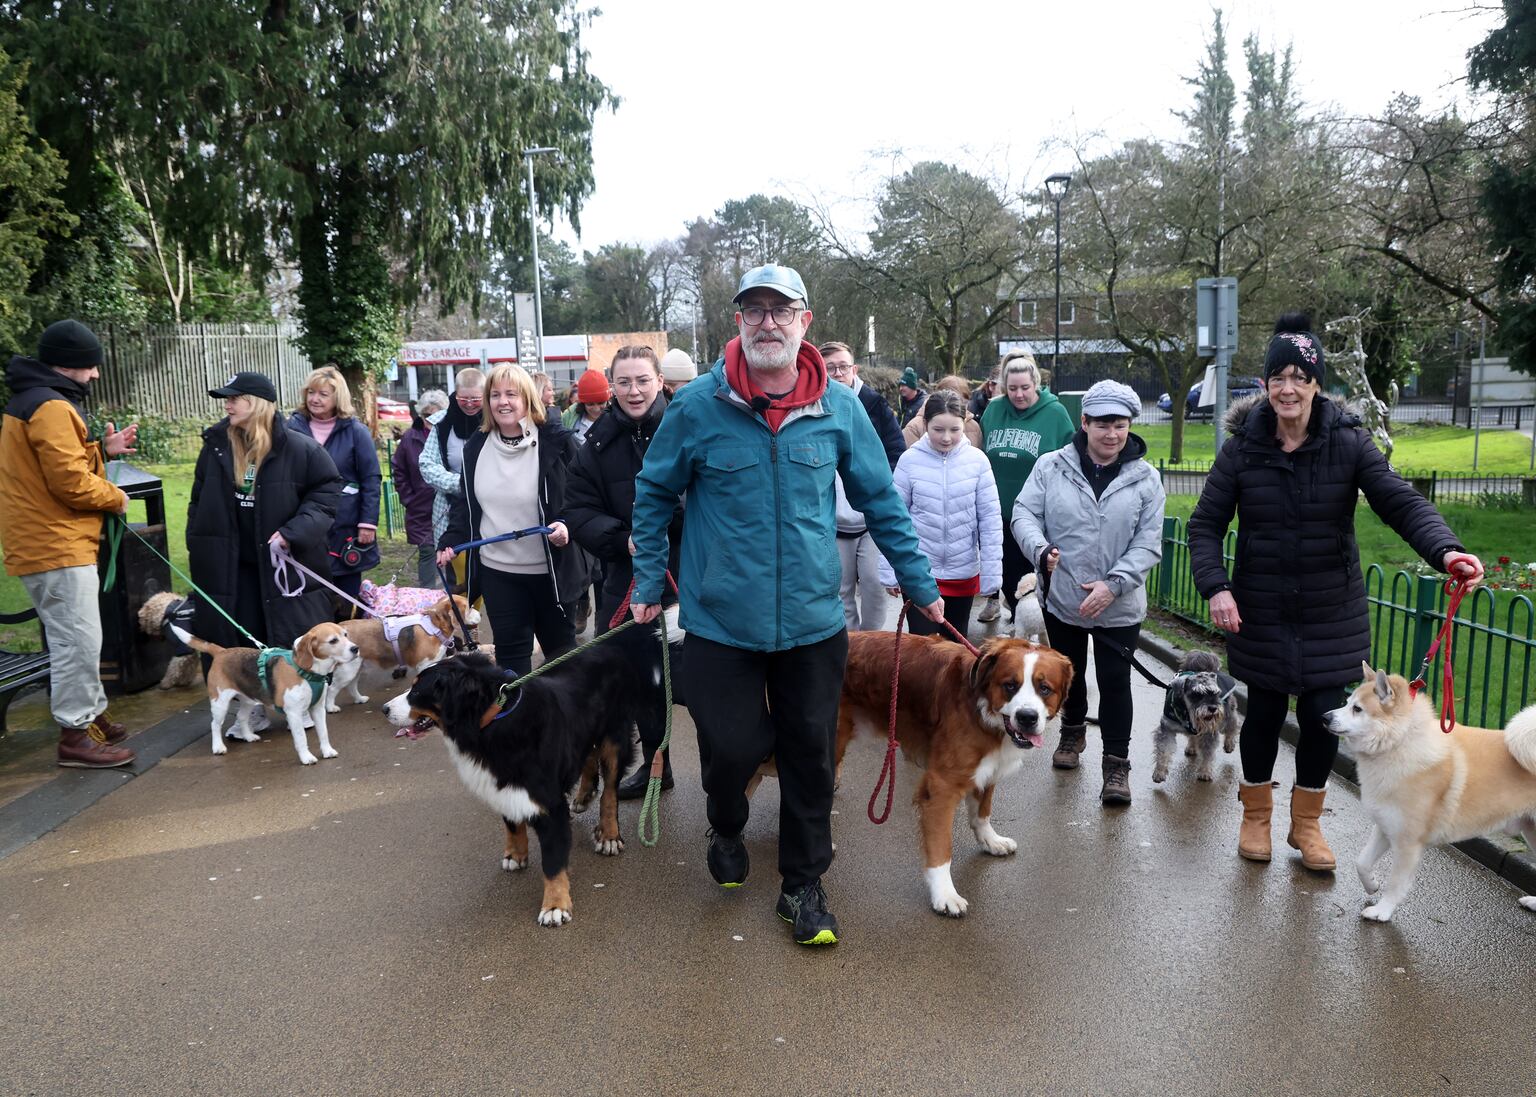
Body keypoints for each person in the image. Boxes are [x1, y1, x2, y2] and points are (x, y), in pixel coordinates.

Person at [628, 264, 942, 947]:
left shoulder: (838, 407)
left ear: (805, 319)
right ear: (736, 321)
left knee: (811, 756)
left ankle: (803, 886)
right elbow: (653, 494)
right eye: (754, 309)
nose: (767, 320)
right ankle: (727, 815)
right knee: (733, 745)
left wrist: (919, 583)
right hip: (720, 624)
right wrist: (648, 580)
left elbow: (880, 501)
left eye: (781, 309)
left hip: (810, 622)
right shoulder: (698, 406)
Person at [1188, 313, 1484, 869]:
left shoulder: (1349, 443)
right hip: (1263, 608)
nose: (1289, 387)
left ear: (1317, 384)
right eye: (1278, 376)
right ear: (1264, 385)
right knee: (1266, 714)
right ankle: (1256, 818)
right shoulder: (1242, 450)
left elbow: (1400, 501)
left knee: (1325, 715)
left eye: (1301, 376)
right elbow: (1204, 526)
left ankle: (1307, 825)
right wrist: (1216, 587)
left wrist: (1447, 551)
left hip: (1331, 610)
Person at [1012, 379, 1166, 806]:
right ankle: (1072, 732)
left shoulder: (1146, 479)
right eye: (1102, 424)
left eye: (1120, 424)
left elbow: (1148, 542)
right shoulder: (1051, 466)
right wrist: (1040, 550)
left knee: (1115, 681)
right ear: (1084, 423)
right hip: (1063, 595)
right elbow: (1024, 511)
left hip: (1120, 604)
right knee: (1069, 672)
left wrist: (1114, 584)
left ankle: (1116, 766)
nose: (1111, 434)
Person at [0, 320, 139, 767]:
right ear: (68, 365)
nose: (96, 375)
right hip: (54, 542)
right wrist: (117, 497)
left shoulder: (32, 400)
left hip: (44, 540)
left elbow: (57, 464)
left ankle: (92, 715)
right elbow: (70, 483)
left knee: (79, 636)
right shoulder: (52, 407)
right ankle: (76, 737)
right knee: (76, 641)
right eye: (91, 366)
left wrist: (103, 449)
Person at [565, 344, 683, 798]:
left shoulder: (686, 427)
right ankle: (657, 767)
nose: (634, 391)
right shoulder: (595, 443)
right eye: (624, 382)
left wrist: (662, 528)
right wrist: (622, 538)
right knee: (640, 682)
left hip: (686, 573)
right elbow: (577, 509)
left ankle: (722, 776)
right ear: (611, 386)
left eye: (642, 381)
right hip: (624, 578)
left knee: (703, 681)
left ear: (659, 382)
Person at [435, 363, 583, 677]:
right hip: (499, 574)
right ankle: (518, 721)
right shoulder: (476, 446)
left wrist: (567, 525)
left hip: (551, 573)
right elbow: (467, 505)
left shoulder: (558, 441)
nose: (503, 401)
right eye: (495, 394)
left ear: (527, 398)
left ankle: (566, 725)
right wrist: (450, 539)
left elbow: (583, 496)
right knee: (511, 662)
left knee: (563, 660)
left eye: (511, 394)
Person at [187, 371, 341, 664]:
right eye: (227, 399)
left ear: (256, 403)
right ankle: (250, 700)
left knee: (287, 644)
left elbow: (326, 496)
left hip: (283, 565)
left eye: (235, 399)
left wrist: (292, 533)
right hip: (231, 566)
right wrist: (197, 540)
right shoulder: (215, 448)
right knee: (237, 639)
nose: (227, 405)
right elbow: (197, 500)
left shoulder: (301, 449)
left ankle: (293, 702)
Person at [880, 390, 1001, 642]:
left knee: (957, 649)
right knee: (924, 651)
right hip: (921, 574)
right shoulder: (909, 461)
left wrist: (991, 573)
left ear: (964, 425)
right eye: (938, 429)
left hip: (963, 572)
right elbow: (894, 519)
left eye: (954, 430)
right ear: (925, 425)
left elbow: (989, 521)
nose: (946, 438)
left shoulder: (978, 462)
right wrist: (890, 569)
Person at [981, 350, 1075, 622]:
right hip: (998, 514)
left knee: (1038, 579)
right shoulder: (995, 409)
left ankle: (1044, 632)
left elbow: (1069, 460)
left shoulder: (1055, 413)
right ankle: (1018, 626)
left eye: (1025, 387)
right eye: (1012, 388)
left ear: (1036, 384)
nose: (1019, 394)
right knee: (1009, 580)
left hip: (1038, 517)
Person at [823, 340, 905, 632]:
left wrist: (878, 486)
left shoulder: (873, 405)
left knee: (873, 583)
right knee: (840, 588)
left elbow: (896, 450)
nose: (837, 373)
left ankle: (872, 640)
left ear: (854, 369)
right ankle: (850, 647)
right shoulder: (815, 405)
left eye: (842, 366)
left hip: (869, 521)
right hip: (834, 522)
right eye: (830, 368)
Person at [287, 366, 381, 606]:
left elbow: (371, 478)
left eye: (323, 394)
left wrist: (367, 522)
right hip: (303, 521)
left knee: (345, 597)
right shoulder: (291, 429)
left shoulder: (356, 432)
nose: (314, 399)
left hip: (345, 525)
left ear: (337, 397)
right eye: (311, 392)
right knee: (306, 594)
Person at [418, 367, 485, 585]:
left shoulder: (498, 420)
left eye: (475, 399)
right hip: (451, 509)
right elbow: (427, 465)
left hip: (490, 508)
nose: (469, 404)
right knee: (459, 582)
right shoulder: (441, 424)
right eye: (463, 398)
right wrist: (460, 484)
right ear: (455, 395)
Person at [391, 388, 450, 587]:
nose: (431, 419)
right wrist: (409, 498)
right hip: (421, 508)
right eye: (426, 415)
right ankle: (426, 598)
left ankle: (455, 599)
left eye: (436, 414)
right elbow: (399, 470)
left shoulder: (449, 435)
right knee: (426, 552)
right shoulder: (410, 437)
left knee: (451, 552)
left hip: (448, 507)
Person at [902, 375, 984, 449]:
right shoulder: (914, 427)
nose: (946, 438)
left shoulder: (974, 427)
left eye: (963, 402)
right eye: (938, 429)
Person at [562, 369, 611, 443]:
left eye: (601, 403)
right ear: (582, 403)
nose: (596, 409)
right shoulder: (568, 418)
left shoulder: (617, 418)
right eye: (590, 404)